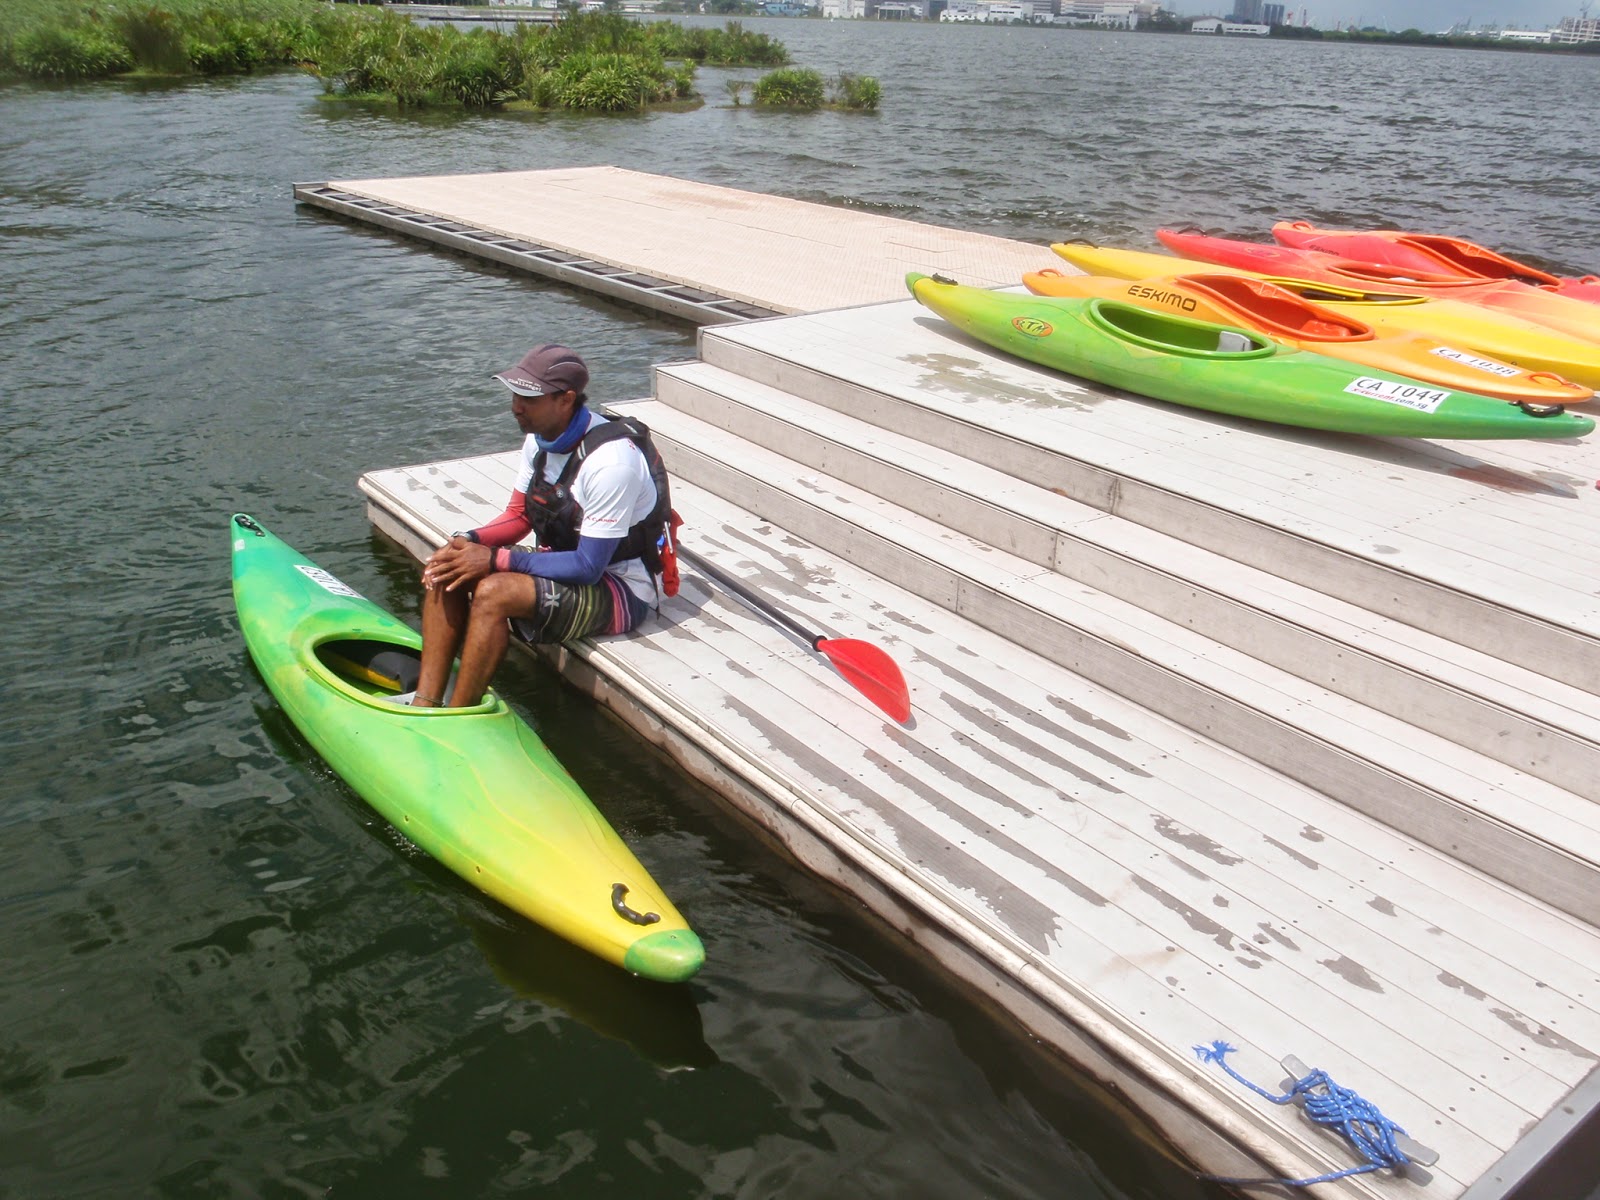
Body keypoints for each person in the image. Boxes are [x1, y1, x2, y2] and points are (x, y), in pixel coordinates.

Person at [410, 344, 663, 708]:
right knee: (447, 567)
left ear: (566, 400)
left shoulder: (611, 463)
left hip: (623, 587)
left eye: (529, 397)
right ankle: (425, 701)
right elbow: (519, 517)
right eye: (515, 394)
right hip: (567, 563)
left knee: (493, 592)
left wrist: (495, 560)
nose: (516, 406)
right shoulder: (538, 442)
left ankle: (458, 713)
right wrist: (466, 541)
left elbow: (589, 567)